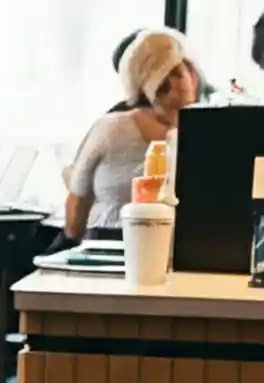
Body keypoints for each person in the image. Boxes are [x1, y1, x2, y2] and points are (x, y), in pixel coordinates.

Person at [59, 31, 201, 247]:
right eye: (173, 73)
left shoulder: (110, 127)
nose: (183, 81)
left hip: (112, 245)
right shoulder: (113, 128)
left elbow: (76, 211)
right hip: (152, 248)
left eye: (183, 71)